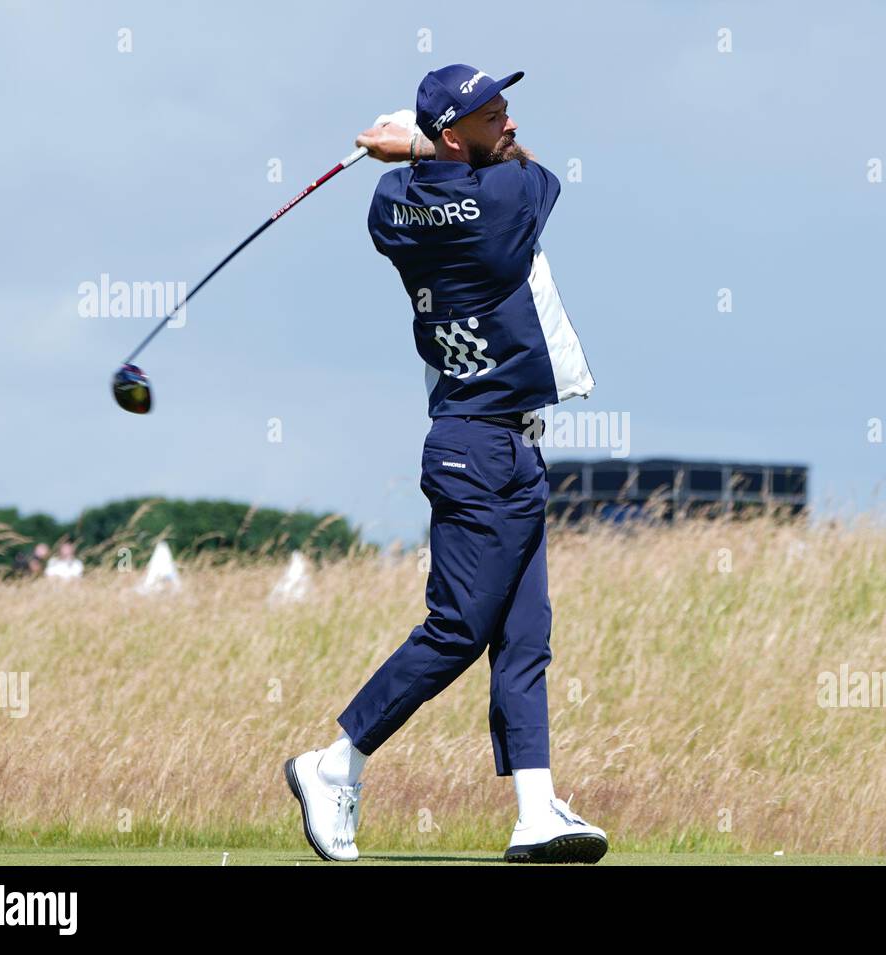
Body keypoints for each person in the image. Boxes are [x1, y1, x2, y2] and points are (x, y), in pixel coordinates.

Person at [284, 65, 604, 864]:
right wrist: (426, 143)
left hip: (499, 444)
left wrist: (416, 151)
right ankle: (334, 763)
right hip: (480, 444)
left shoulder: (391, 205)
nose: (511, 116)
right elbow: (534, 172)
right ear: (461, 135)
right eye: (495, 111)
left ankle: (536, 813)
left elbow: (426, 185)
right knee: (459, 627)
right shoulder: (508, 201)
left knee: (525, 635)